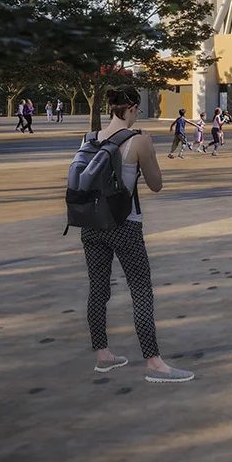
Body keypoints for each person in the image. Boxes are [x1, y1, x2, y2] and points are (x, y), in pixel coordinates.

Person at [79, 86, 195, 382]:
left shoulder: (89, 138)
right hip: (125, 225)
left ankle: (103, 355)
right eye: (137, 110)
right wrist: (147, 155)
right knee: (141, 290)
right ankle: (154, 364)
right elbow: (156, 184)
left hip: (91, 224)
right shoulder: (139, 140)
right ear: (131, 108)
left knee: (98, 290)